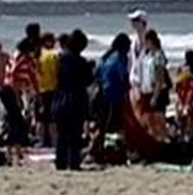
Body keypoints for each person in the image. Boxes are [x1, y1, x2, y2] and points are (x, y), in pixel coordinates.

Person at [52, 29, 94, 171]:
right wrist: (90, 69)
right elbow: (87, 81)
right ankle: (74, 162)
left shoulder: (60, 59)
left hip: (60, 98)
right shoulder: (81, 62)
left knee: (62, 134)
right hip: (75, 99)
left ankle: (60, 162)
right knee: (75, 134)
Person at [96, 34, 131, 135]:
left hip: (102, 93)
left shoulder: (106, 57)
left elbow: (97, 72)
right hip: (114, 95)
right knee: (113, 124)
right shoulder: (120, 57)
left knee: (103, 123)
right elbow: (123, 76)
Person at [139, 30, 171, 141]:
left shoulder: (158, 56)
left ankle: (162, 140)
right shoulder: (147, 56)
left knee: (159, 119)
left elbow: (160, 78)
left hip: (157, 92)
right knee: (150, 119)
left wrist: (155, 96)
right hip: (146, 91)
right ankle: (154, 140)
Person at [36, 33, 60, 148]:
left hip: (40, 89)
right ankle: (54, 142)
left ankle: (41, 141)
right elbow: (57, 72)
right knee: (51, 119)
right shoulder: (52, 55)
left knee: (40, 118)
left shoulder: (38, 54)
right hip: (52, 88)